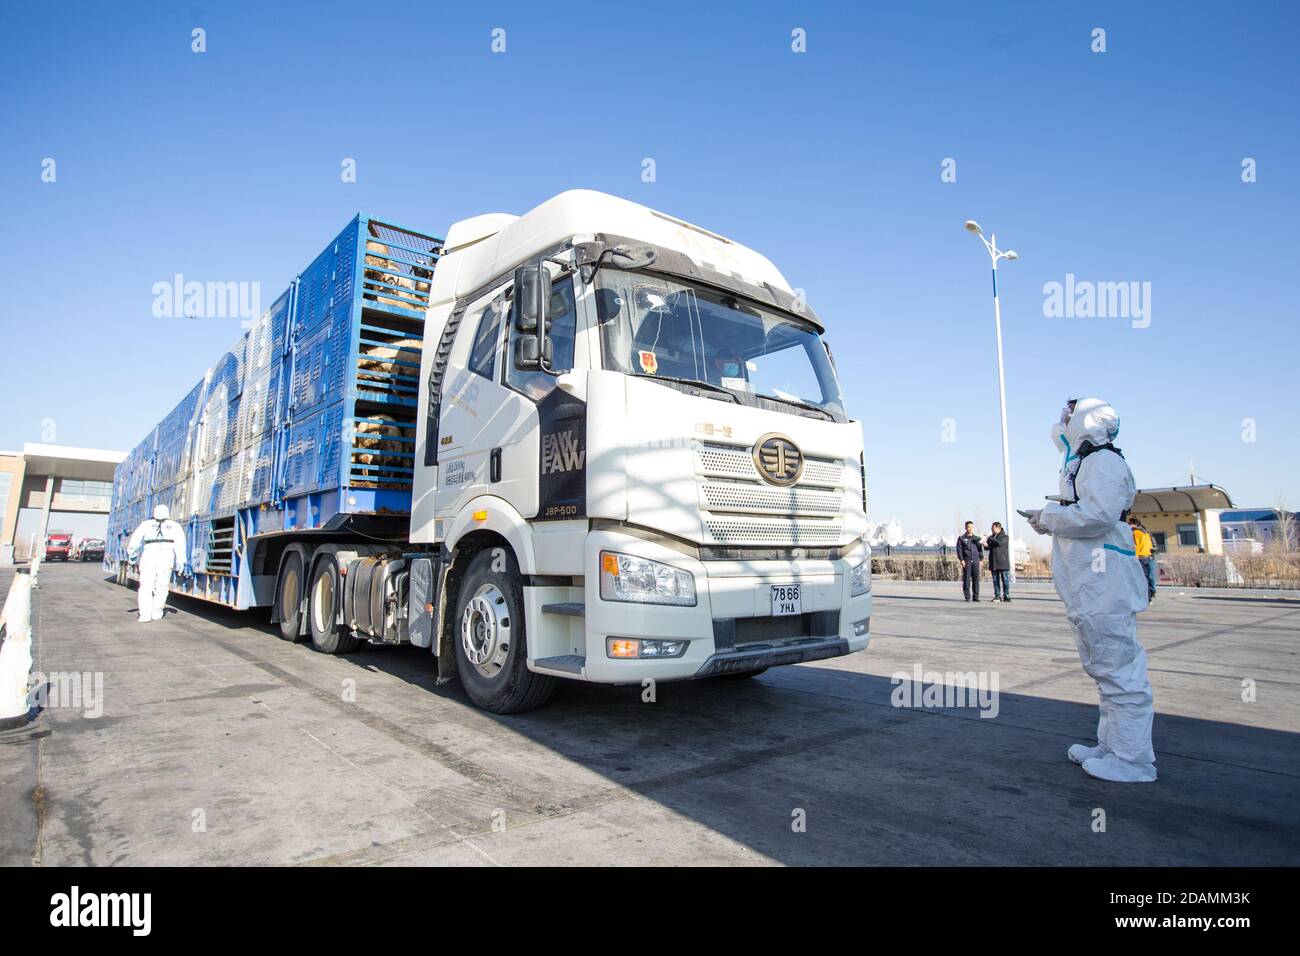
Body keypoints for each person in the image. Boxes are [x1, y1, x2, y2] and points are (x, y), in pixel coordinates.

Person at [1026, 398, 1155, 783]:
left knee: (1120, 671)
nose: (1063, 417)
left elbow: (1097, 515)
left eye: (1070, 411)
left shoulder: (1103, 462)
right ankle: (1112, 746)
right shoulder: (1084, 461)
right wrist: (1049, 517)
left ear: (1088, 418)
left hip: (1105, 582)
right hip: (1093, 583)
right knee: (1104, 668)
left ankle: (1133, 760)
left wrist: (1048, 518)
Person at [126, 504, 188, 623]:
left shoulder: (146, 524)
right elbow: (181, 544)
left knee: (146, 586)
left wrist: (132, 555)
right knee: (161, 586)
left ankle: (145, 614)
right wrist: (181, 561)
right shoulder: (175, 526)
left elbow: (135, 541)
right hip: (166, 556)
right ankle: (156, 611)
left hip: (149, 555)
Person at [1129, 517, 1157, 601]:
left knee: (1143, 577)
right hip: (1149, 556)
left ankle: (1146, 596)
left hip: (1141, 557)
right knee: (1150, 576)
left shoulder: (1135, 533)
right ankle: (1151, 593)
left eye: (1129, 524)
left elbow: (1136, 545)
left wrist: (1136, 556)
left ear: (1134, 524)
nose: (1128, 526)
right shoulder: (1145, 532)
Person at [956, 521, 984, 601]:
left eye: (972, 527)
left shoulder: (977, 538)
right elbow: (959, 550)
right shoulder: (961, 538)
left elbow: (980, 549)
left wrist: (981, 559)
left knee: (976, 579)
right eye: (969, 527)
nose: (970, 529)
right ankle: (967, 597)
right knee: (967, 579)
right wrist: (961, 559)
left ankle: (976, 597)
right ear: (965, 528)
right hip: (967, 560)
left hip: (976, 560)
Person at [986, 521, 1011, 602]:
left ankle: (1006, 595)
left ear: (998, 528)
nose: (991, 529)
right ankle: (997, 595)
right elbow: (988, 547)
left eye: (993, 528)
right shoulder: (992, 537)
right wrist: (985, 544)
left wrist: (990, 538)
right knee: (995, 580)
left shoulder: (1005, 537)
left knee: (1005, 580)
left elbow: (999, 543)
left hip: (1003, 562)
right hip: (994, 562)